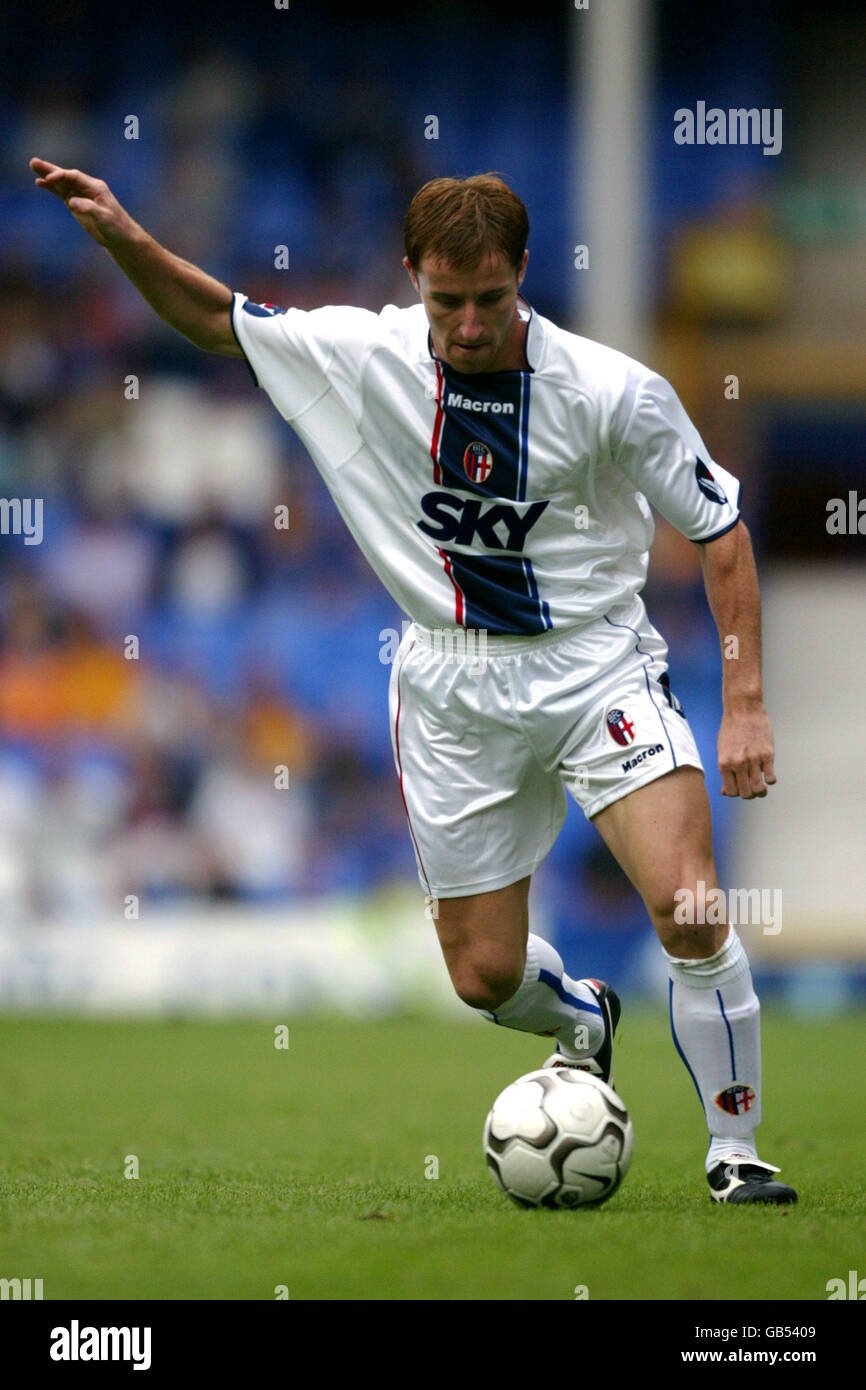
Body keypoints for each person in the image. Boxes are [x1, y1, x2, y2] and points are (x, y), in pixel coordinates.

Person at [30, 159, 796, 1204]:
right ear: (412, 279)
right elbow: (212, 318)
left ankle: (733, 1152)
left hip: (593, 662)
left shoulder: (612, 391)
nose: (470, 324)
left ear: (523, 274)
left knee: (690, 905)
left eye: (490, 299)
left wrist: (745, 704)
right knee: (482, 978)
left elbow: (718, 530)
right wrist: (122, 233)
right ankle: (579, 1016)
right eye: (447, 300)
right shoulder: (359, 354)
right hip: (447, 682)